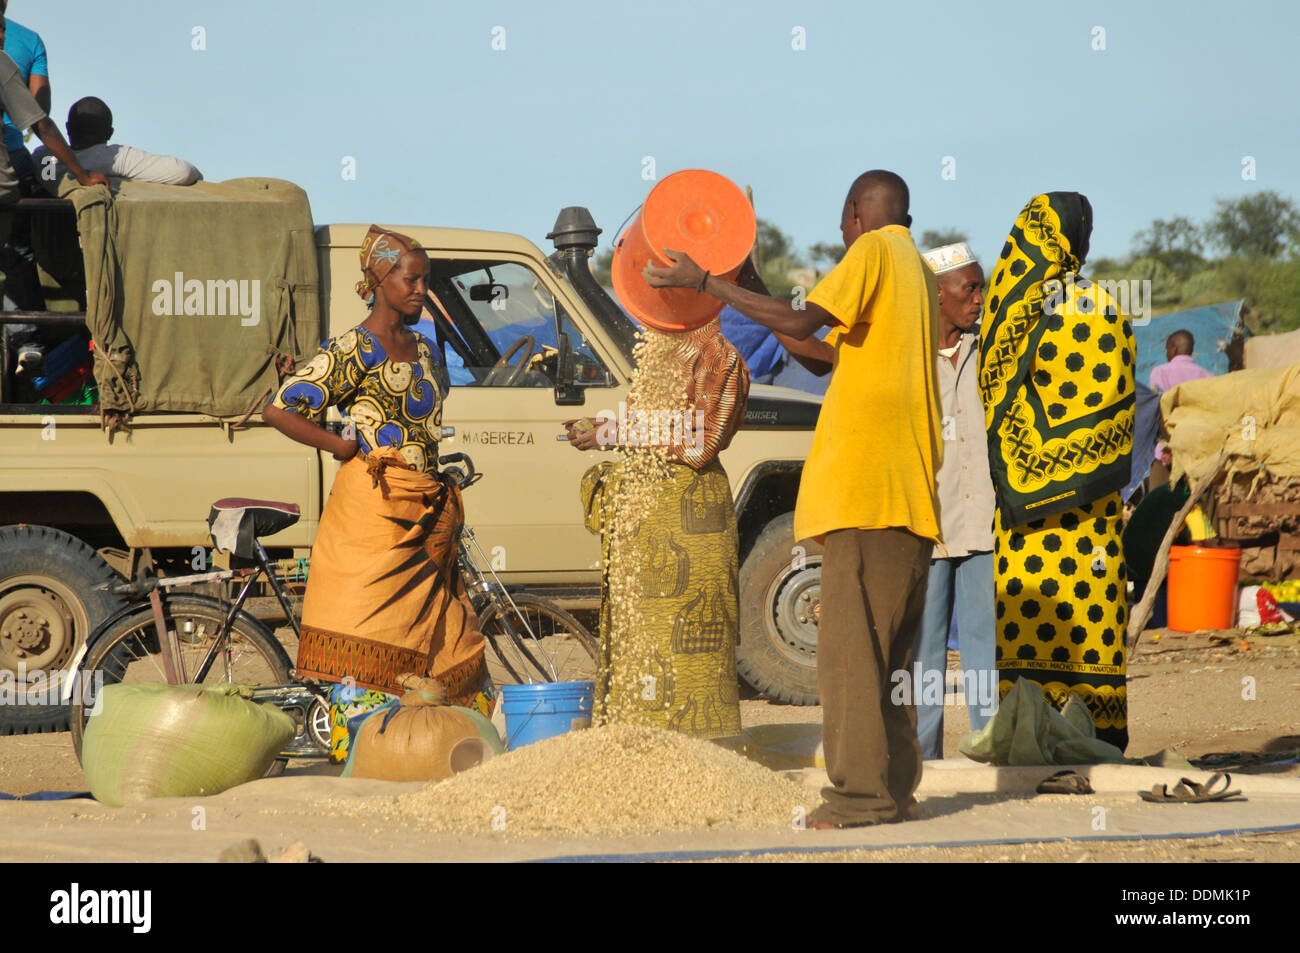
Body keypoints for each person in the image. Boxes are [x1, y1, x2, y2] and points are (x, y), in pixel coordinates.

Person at [645, 170, 943, 827]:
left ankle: (858, 799)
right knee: (887, 658)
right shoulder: (915, 271)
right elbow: (818, 352)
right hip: (905, 495)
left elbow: (806, 316)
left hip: (870, 493)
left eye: (841, 224)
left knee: (848, 659)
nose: (841, 237)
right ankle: (893, 789)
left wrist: (704, 284)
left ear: (857, 214)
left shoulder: (874, 252)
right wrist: (748, 285)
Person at [263, 225, 493, 762]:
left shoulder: (423, 347)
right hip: (373, 518)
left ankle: (439, 752)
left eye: (424, 280)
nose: (420, 290)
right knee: (364, 632)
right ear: (379, 280)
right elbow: (281, 408)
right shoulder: (352, 348)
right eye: (411, 280)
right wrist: (338, 448)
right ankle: (371, 757)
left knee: (450, 634)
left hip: (427, 515)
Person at [979, 192, 1135, 752]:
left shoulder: (1002, 308)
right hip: (1090, 517)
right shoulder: (1102, 306)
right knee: (1087, 627)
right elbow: (1111, 396)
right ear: (1080, 240)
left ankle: (1026, 743)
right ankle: (1094, 744)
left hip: (1020, 519)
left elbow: (994, 397)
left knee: (1027, 621)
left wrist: (1027, 465)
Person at [565, 314, 750, 739]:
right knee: (638, 639)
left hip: (689, 518)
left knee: (685, 648)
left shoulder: (718, 355)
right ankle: (638, 747)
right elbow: (655, 425)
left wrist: (614, 434)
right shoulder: (659, 349)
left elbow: (702, 442)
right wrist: (605, 427)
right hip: (643, 514)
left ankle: (695, 754)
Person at [913, 241, 997, 759]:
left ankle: (989, 747)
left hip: (983, 517)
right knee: (924, 651)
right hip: (929, 520)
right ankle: (924, 758)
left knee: (984, 646)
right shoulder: (909, 356)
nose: (979, 299)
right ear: (938, 294)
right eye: (970, 288)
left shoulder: (989, 351)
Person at [32, 96, 203, 189]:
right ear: (109, 133)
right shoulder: (112, 157)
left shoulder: (44, 156)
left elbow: (48, 180)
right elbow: (183, 172)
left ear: (68, 128)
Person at [1, 1, 48, 189]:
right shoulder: (30, 40)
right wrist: (81, 174)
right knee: (48, 167)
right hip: (11, 156)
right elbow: (40, 115)